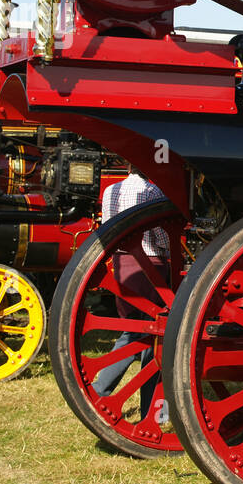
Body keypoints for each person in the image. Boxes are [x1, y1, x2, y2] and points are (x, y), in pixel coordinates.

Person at [91, 167, 169, 417]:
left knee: (135, 329)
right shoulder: (152, 190)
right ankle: (106, 391)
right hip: (150, 266)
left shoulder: (110, 190)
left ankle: (104, 390)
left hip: (121, 264)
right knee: (149, 333)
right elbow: (162, 237)